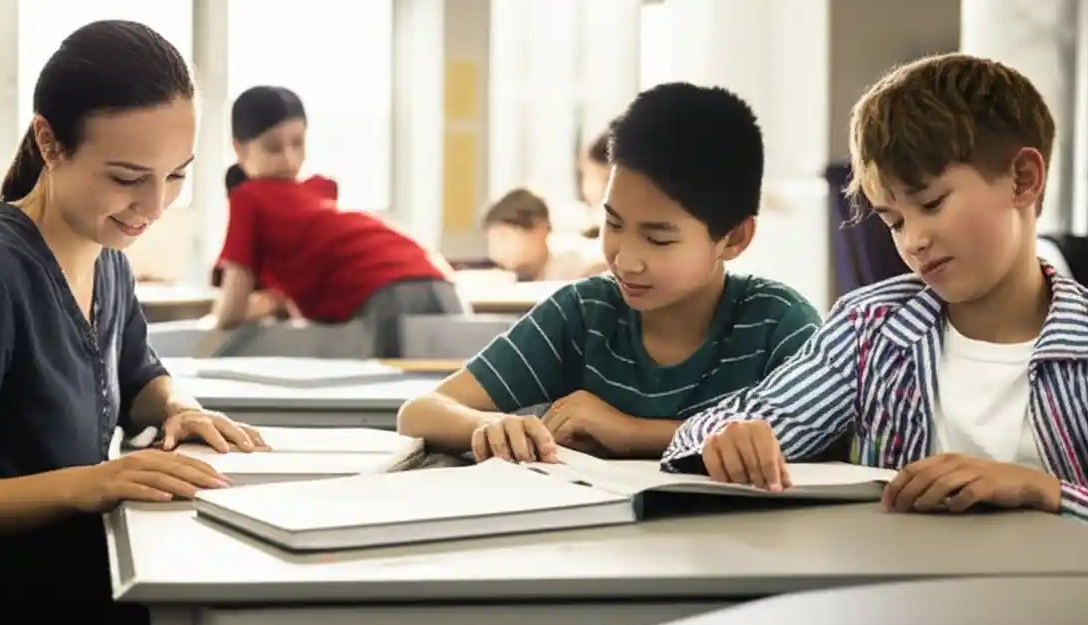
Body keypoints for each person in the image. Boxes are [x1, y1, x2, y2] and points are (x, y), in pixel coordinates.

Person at [0, 20, 266, 625]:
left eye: (177, 176)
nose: (156, 206)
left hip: (72, 578)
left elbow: (136, 374)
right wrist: (98, 482)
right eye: (127, 177)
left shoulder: (104, 252)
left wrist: (178, 406)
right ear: (50, 143)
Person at [664, 54, 1088, 542]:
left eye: (931, 204)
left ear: (1023, 178)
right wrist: (729, 438)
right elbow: (711, 430)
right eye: (893, 221)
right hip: (891, 600)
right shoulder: (867, 329)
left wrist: (1046, 492)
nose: (912, 240)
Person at [397, 83, 822, 462]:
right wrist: (487, 426)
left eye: (658, 239)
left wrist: (631, 433)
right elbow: (420, 412)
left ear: (733, 239)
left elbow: (824, 437)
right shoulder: (585, 314)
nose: (624, 260)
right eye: (614, 225)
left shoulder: (776, 322)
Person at [213, 85, 462, 357]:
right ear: (239, 149)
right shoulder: (316, 193)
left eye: (298, 143)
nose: (289, 159)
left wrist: (213, 331)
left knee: (388, 394)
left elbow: (232, 305)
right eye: (273, 147)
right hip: (441, 283)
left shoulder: (248, 196)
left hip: (390, 296)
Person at [483, 187, 604, 281]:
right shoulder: (508, 280)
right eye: (491, 240)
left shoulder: (577, 271)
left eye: (503, 237)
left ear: (540, 229)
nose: (496, 250)